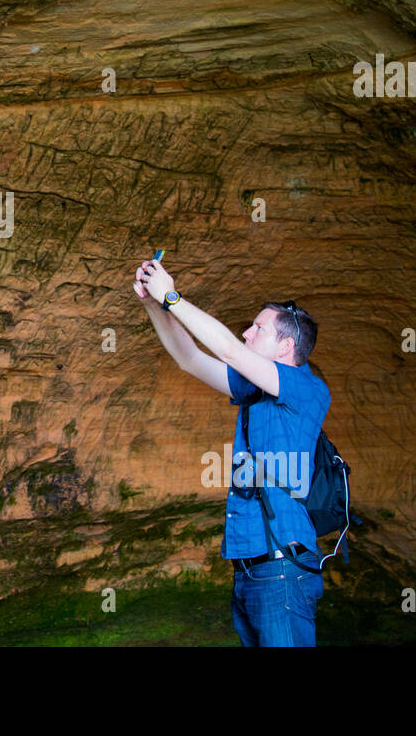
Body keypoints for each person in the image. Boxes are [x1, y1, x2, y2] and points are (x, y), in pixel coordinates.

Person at [134, 256, 330, 646]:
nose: (246, 333)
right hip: (249, 571)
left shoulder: (307, 391)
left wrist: (171, 296)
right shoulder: (253, 391)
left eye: (257, 328)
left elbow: (228, 350)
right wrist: (153, 306)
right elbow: (188, 358)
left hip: (282, 571)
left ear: (286, 346)